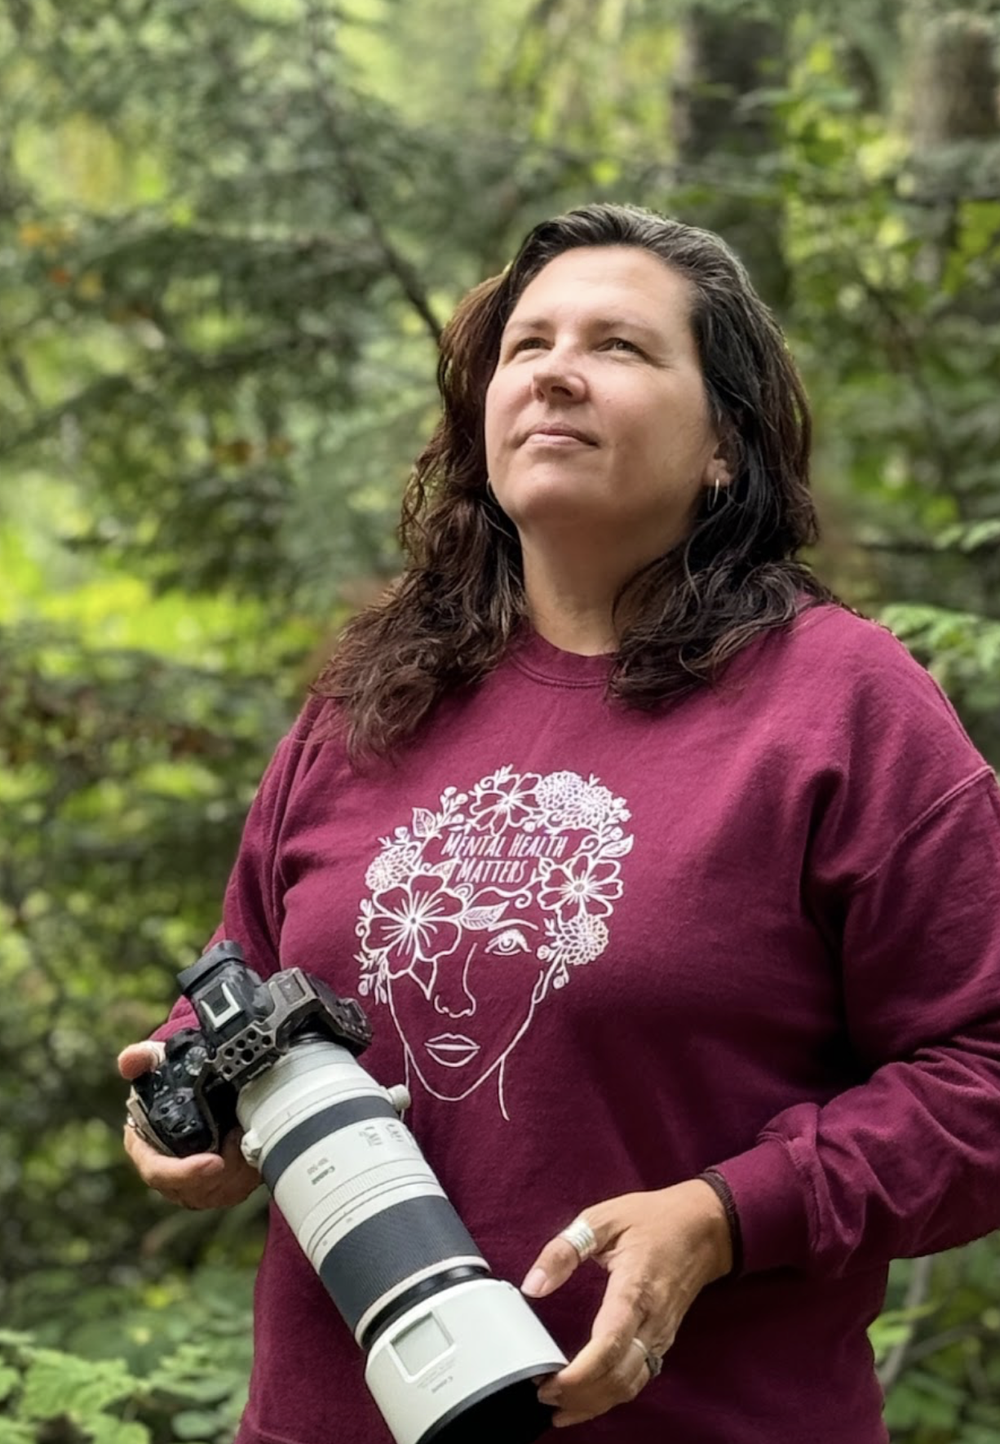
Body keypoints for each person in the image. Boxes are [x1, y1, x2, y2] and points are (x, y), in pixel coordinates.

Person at [119, 203, 1000, 1444]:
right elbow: (241, 980)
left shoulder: (840, 707)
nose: (554, 371)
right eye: (526, 344)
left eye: (621, 346)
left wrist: (725, 1212)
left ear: (724, 450)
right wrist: (187, 1101)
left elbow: (982, 1074)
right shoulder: (369, 700)